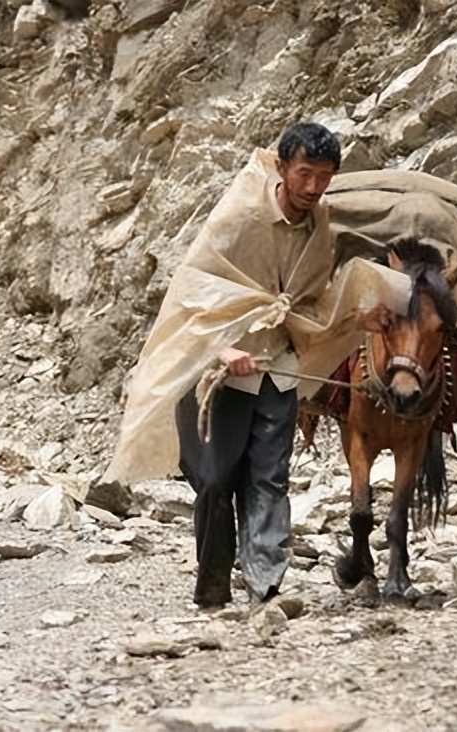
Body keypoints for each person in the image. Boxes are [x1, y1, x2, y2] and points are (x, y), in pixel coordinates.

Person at [173, 123, 341, 608]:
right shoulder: (241, 216)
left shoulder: (319, 224)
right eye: (305, 173)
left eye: (324, 176)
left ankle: (265, 585)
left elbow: (313, 293)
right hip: (221, 375)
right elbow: (192, 286)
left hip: (279, 368)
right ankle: (212, 588)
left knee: (269, 476)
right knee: (215, 479)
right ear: (282, 168)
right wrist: (224, 348)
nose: (313, 187)